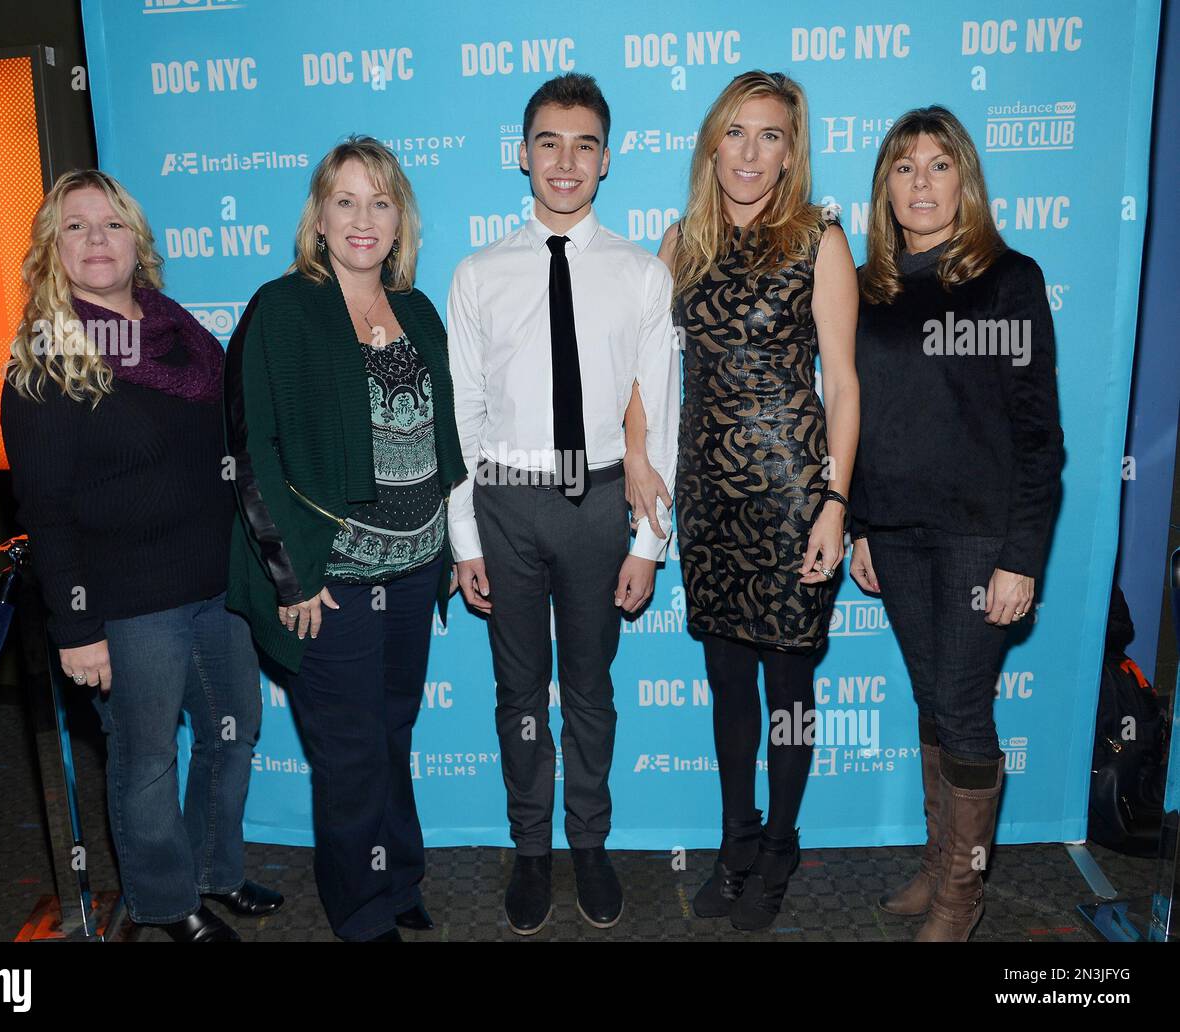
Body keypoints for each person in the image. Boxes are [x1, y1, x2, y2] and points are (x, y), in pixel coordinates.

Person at [0, 169, 280, 943]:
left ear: (137, 242)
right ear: (52, 250)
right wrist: (76, 629)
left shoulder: (178, 334)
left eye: (111, 224)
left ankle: (215, 872)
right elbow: (46, 513)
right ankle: (163, 903)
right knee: (147, 757)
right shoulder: (45, 364)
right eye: (76, 227)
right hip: (124, 604)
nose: (97, 239)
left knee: (233, 729)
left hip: (217, 584)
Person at [622, 71, 859, 931]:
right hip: (711, 499)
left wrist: (836, 501)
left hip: (795, 494)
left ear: (791, 151)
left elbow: (845, 382)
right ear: (711, 143)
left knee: (789, 687)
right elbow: (646, 368)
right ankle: (737, 843)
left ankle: (783, 844)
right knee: (728, 686)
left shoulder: (819, 240)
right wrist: (640, 453)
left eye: (769, 135)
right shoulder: (680, 241)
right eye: (735, 133)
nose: (750, 152)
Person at [447, 72, 681, 935]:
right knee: (519, 694)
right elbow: (462, 414)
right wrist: (464, 535)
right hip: (503, 503)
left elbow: (660, 415)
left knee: (589, 691)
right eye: (549, 141)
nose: (566, 160)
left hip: (600, 502)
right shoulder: (478, 274)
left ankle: (589, 843)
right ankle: (531, 850)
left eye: (584, 144)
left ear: (607, 159)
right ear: (522, 154)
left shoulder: (641, 274)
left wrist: (650, 546)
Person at [226, 137, 465, 942]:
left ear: (401, 221)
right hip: (330, 579)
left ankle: (398, 880)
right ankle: (362, 914)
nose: (364, 219)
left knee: (393, 733)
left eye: (381, 202)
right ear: (319, 219)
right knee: (350, 751)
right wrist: (290, 575)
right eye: (347, 202)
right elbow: (252, 450)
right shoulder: (282, 308)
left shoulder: (420, 310)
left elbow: (445, 445)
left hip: (415, 570)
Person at [847, 106, 1063, 942]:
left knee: (965, 709)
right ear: (885, 188)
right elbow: (860, 417)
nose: (921, 183)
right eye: (904, 168)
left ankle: (960, 898)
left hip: (982, 534)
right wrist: (861, 523)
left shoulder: (1008, 277)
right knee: (933, 700)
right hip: (896, 530)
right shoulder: (871, 287)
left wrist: (1022, 555)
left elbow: (1038, 430)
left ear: (964, 180)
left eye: (938, 166)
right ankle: (941, 864)